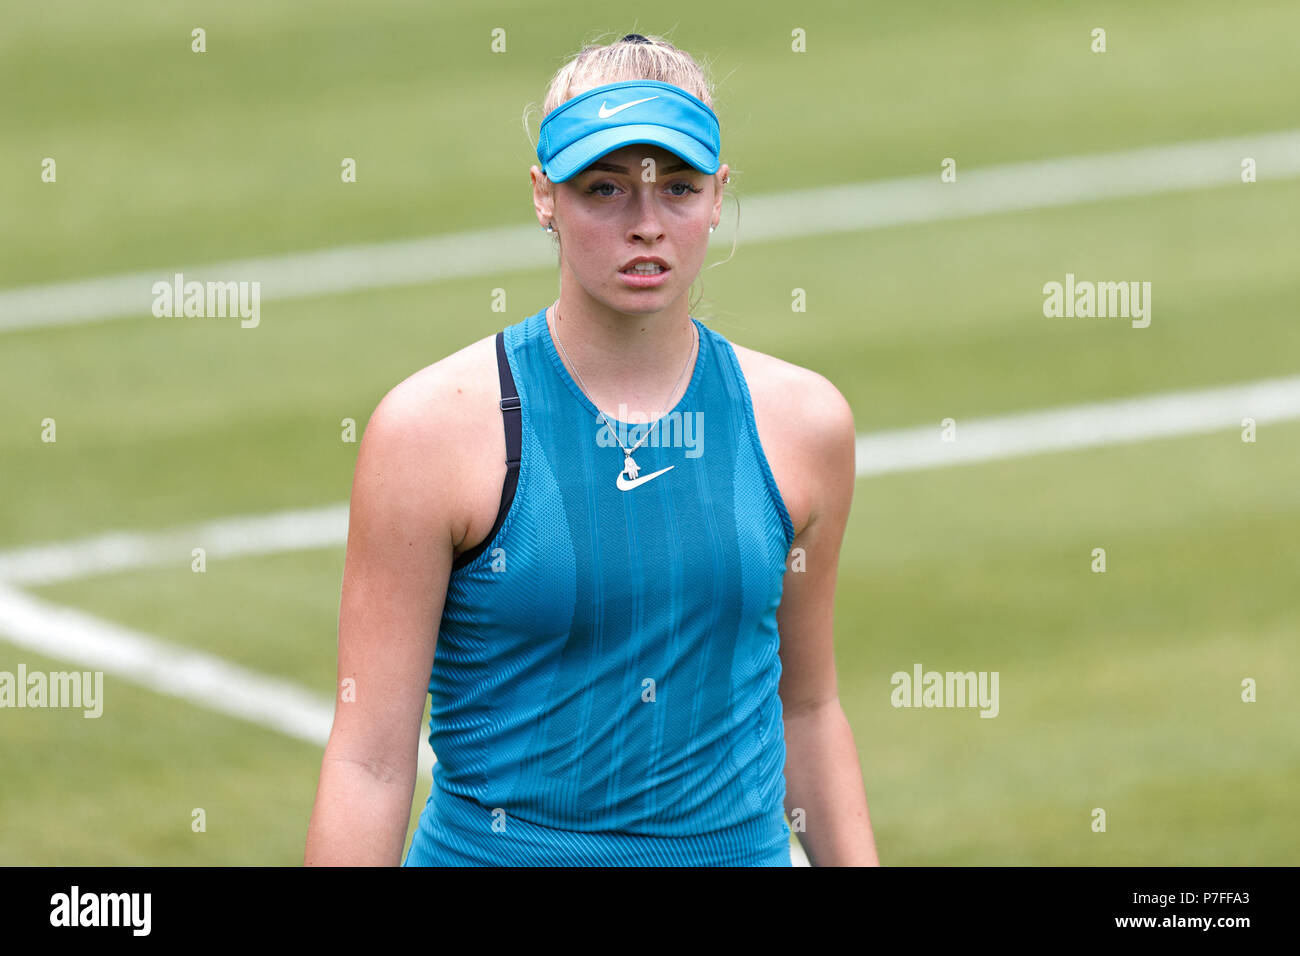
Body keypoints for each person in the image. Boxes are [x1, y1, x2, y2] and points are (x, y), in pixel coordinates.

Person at [304, 32, 878, 867]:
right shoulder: (430, 431)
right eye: (604, 188)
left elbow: (809, 711)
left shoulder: (804, 423)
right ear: (544, 194)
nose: (645, 225)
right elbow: (370, 760)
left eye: (677, 188)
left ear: (719, 196)